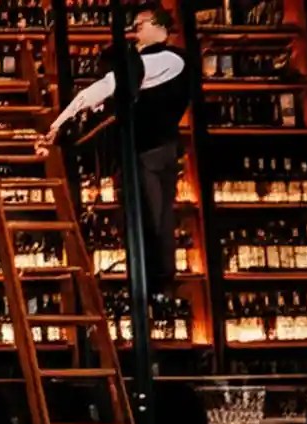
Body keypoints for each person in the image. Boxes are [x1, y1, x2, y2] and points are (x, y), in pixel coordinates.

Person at [38, 5, 191, 300]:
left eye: (139, 24)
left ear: (158, 25)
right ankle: (155, 284)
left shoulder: (166, 59)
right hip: (156, 149)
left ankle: (155, 284)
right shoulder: (165, 61)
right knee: (152, 217)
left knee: (150, 217)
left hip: (150, 151)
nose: (135, 32)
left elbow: (105, 88)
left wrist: (58, 125)